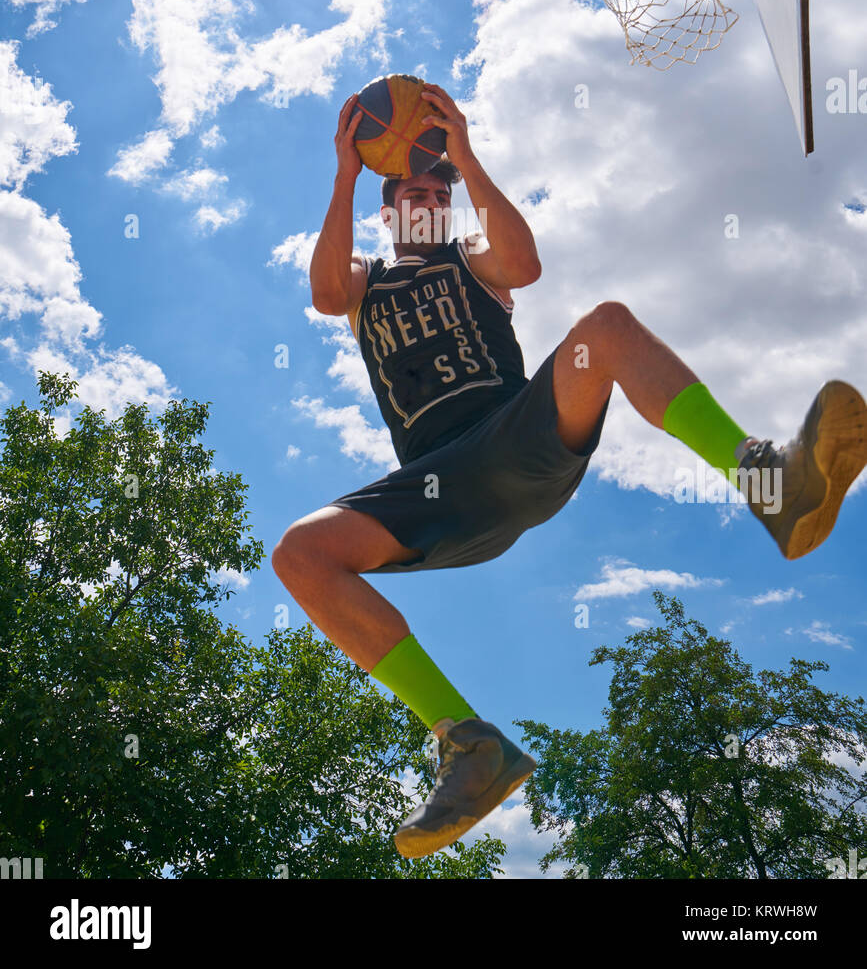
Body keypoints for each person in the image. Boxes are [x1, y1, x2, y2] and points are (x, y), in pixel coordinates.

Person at [272, 82, 867, 860]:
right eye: (410, 190)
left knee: (607, 329)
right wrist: (346, 173)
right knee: (298, 553)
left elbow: (524, 262)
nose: (425, 196)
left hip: (515, 437)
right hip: (435, 485)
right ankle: (469, 745)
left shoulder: (471, 264)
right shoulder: (364, 286)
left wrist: (463, 155)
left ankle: (770, 484)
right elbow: (322, 293)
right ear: (387, 212)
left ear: (447, 208)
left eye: (435, 191)